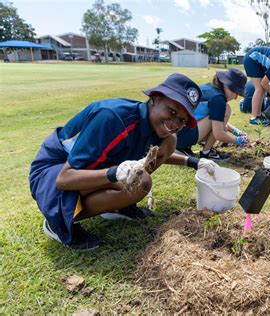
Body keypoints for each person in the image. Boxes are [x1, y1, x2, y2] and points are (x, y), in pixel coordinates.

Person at [29, 73, 219, 251]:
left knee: (163, 152)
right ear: (155, 98)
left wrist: (194, 162)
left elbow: (154, 155)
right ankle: (58, 221)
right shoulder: (112, 118)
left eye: (182, 121)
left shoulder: (153, 127)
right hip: (54, 172)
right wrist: (114, 174)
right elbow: (64, 179)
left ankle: (119, 206)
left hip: (88, 170)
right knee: (141, 180)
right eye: (172, 111)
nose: (175, 124)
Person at [176, 68, 249, 161]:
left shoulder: (211, 89)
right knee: (226, 110)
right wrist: (238, 141)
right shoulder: (218, 98)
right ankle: (206, 153)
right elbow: (218, 134)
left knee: (221, 123)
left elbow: (216, 119)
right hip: (182, 136)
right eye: (236, 92)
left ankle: (183, 147)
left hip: (176, 133)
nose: (235, 97)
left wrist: (236, 132)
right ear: (226, 85)